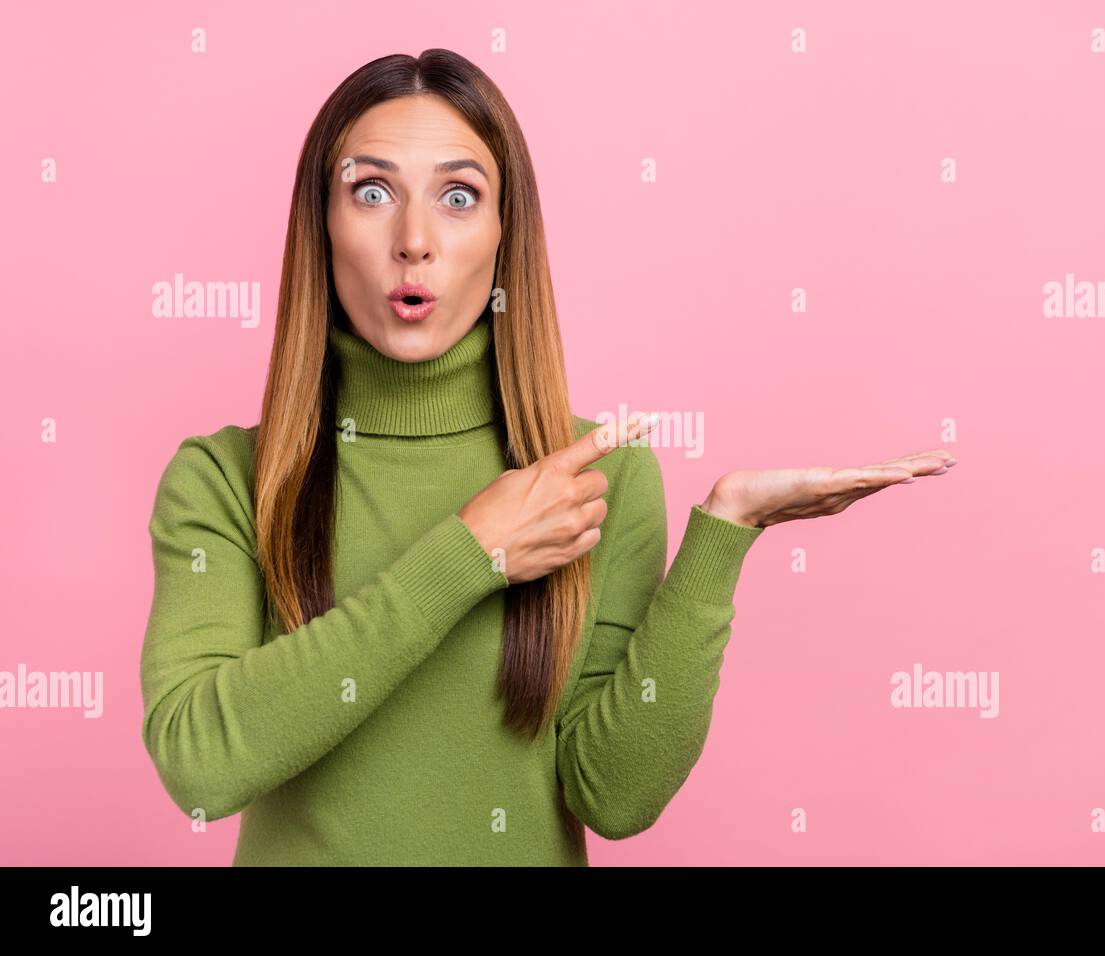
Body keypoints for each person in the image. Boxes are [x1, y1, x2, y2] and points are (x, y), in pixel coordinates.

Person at [139, 48, 955, 866]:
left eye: (459, 197)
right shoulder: (224, 481)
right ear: (321, 221)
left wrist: (723, 534)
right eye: (373, 191)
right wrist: (467, 555)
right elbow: (200, 767)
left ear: (505, 235)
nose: (413, 240)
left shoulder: (595, 479)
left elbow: (616, 795)